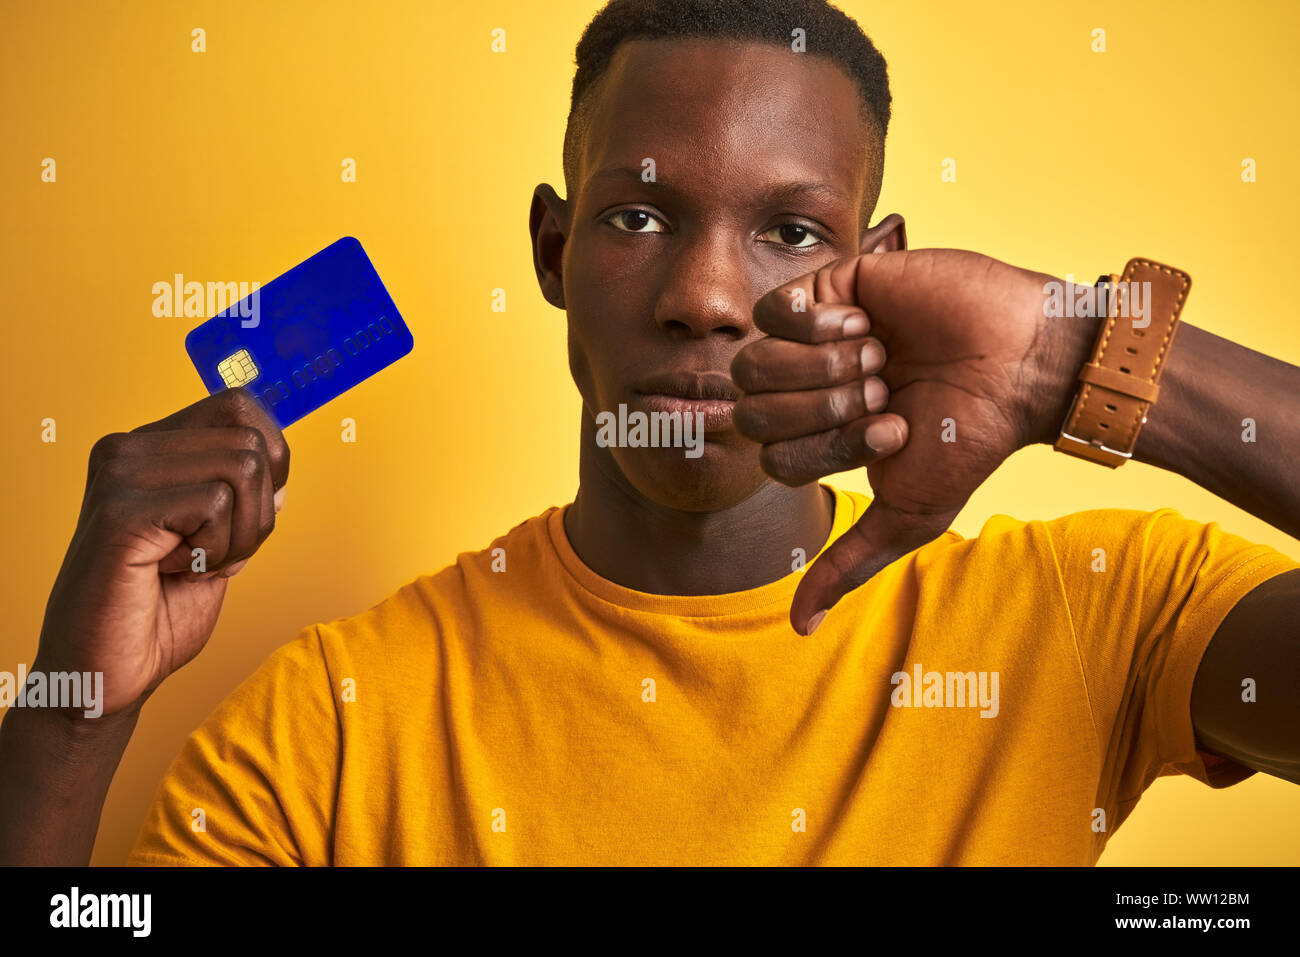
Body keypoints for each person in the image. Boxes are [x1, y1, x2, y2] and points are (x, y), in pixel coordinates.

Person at [2, 0, 1297, 866]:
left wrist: (1080, 352)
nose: (705, 298)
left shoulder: (1091, 618)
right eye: (637, 216)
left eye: (791, 230)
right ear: (553, 249)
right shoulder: (331, 728)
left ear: (878, 264)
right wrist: (68, 712)